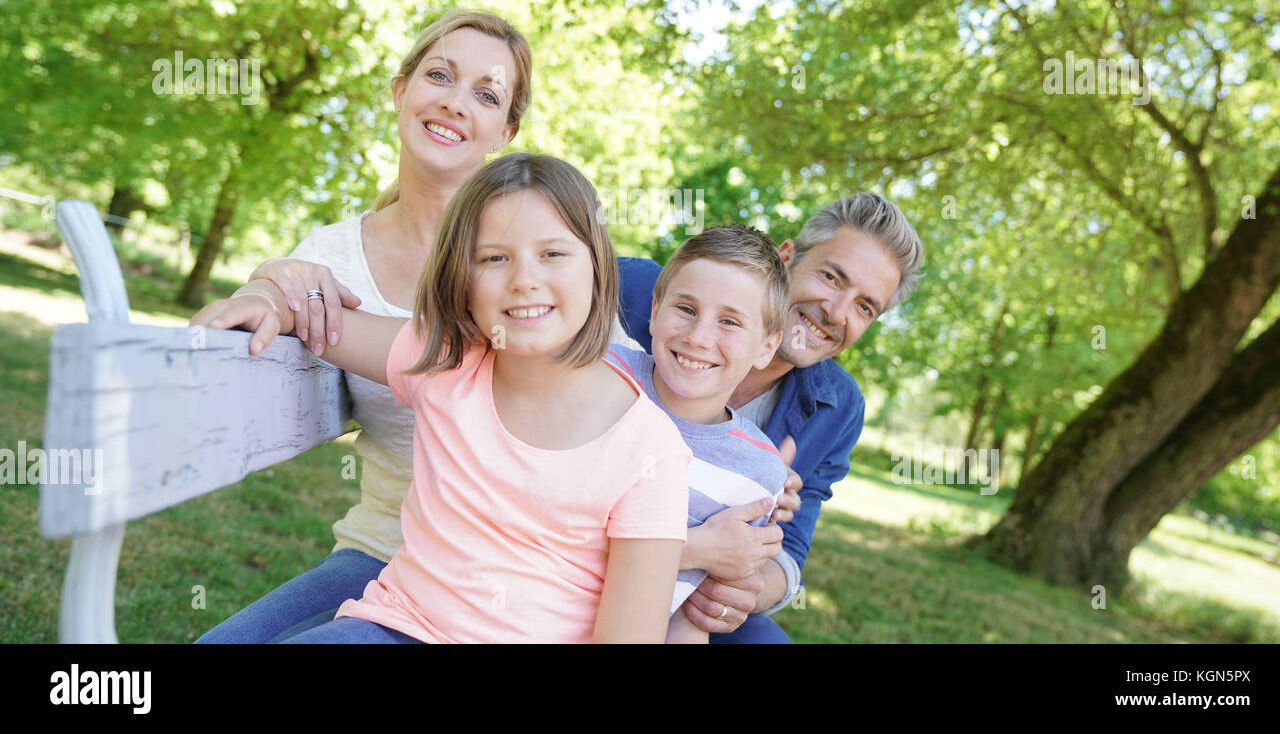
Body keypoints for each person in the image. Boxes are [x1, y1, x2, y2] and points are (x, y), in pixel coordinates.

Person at [197, 154, 692, 643]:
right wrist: (263, 298)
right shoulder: (445, 361)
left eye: (553, 253)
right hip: (395, 625)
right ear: (463, 282)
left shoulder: (651, 448)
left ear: (598, 267)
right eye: (494, 258)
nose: (524, 279)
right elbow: (314, 315)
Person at [193, 8, 533, 643]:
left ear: (505, 130)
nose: (456, 103)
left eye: (485, 95)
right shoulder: (334, 251)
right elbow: (277, 299)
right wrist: (268, 288)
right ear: (401, 91)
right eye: (440, 76)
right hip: (380, 552)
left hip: (510, 571)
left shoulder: (533, 249)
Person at [619, 192, 924, 643]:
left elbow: (790, 553)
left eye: (864, 307)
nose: (836, 313)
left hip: (689, 592)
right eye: (831, 277)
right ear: (786, 257)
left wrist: (742, 584)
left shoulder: (837, 408)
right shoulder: (637, 291)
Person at [606, 224, 792, 643]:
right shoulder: (602, 378)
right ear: (654, 312)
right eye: (686, 309)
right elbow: (545, 526)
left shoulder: (758, 472)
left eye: (729, 322)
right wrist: (695, 547)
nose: (699, 336)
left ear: (767, 346)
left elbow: (690, 615)